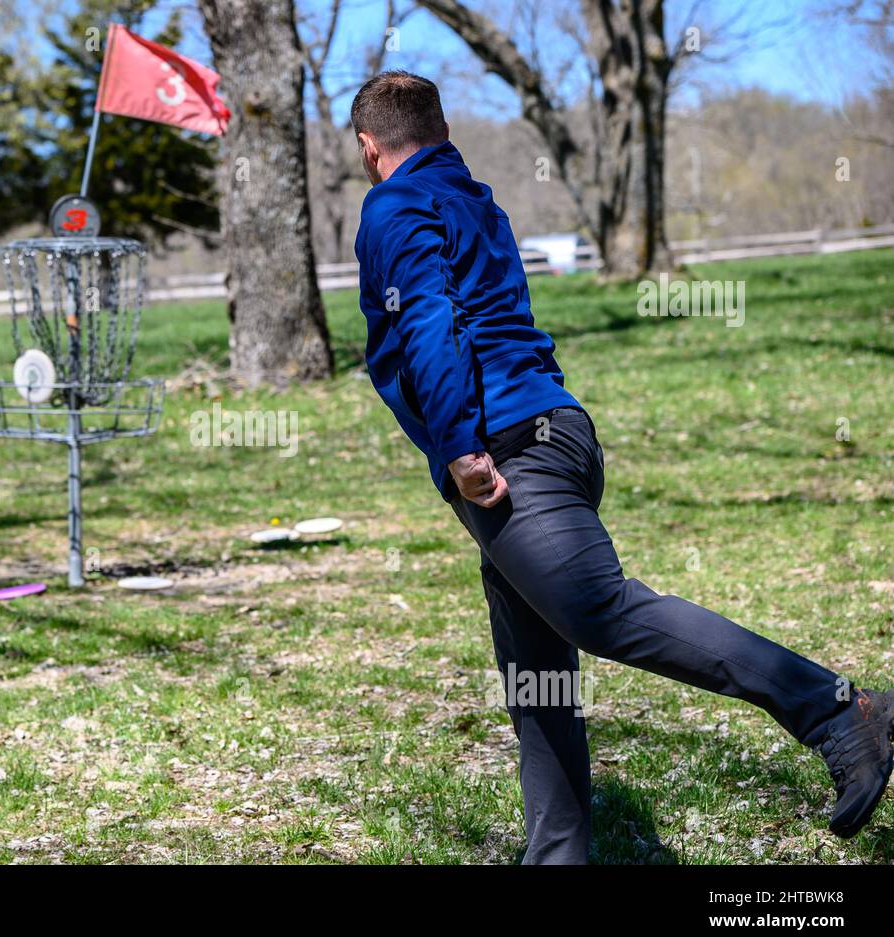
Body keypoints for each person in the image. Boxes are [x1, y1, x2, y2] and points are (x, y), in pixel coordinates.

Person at [351, 69, 893, 864]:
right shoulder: (475, 197)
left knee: (602, 610)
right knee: (538, 671)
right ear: (438, 129)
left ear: (370, 148)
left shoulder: (395, 204)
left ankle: (839, 710)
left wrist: (461, 447)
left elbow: (428, 323)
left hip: (507, 452)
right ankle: (560, 854)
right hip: (560, 432)